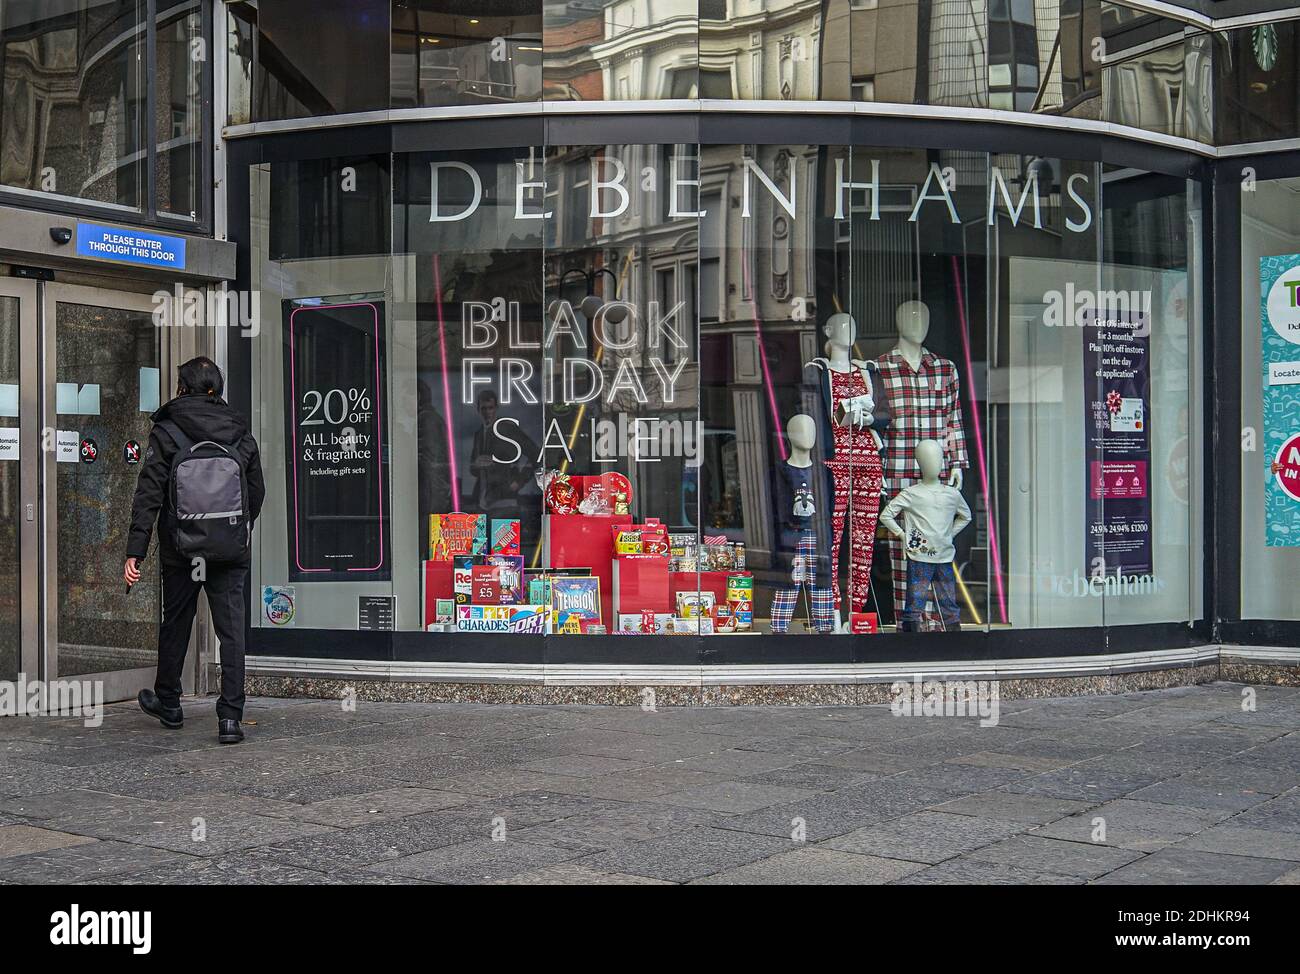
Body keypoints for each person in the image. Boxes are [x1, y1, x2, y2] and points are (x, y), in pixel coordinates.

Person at [124, 357, 265, 743]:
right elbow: (257, 491)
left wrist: (135, 549)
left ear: (181, 389)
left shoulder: (167, 430)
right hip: (229, 549)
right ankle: (230, 718)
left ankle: (169, 702)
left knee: (177, 621)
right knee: (231, 630)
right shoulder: (239, 429)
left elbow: (149, 494)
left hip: (182, 550)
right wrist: (235, 528)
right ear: (217, 389)